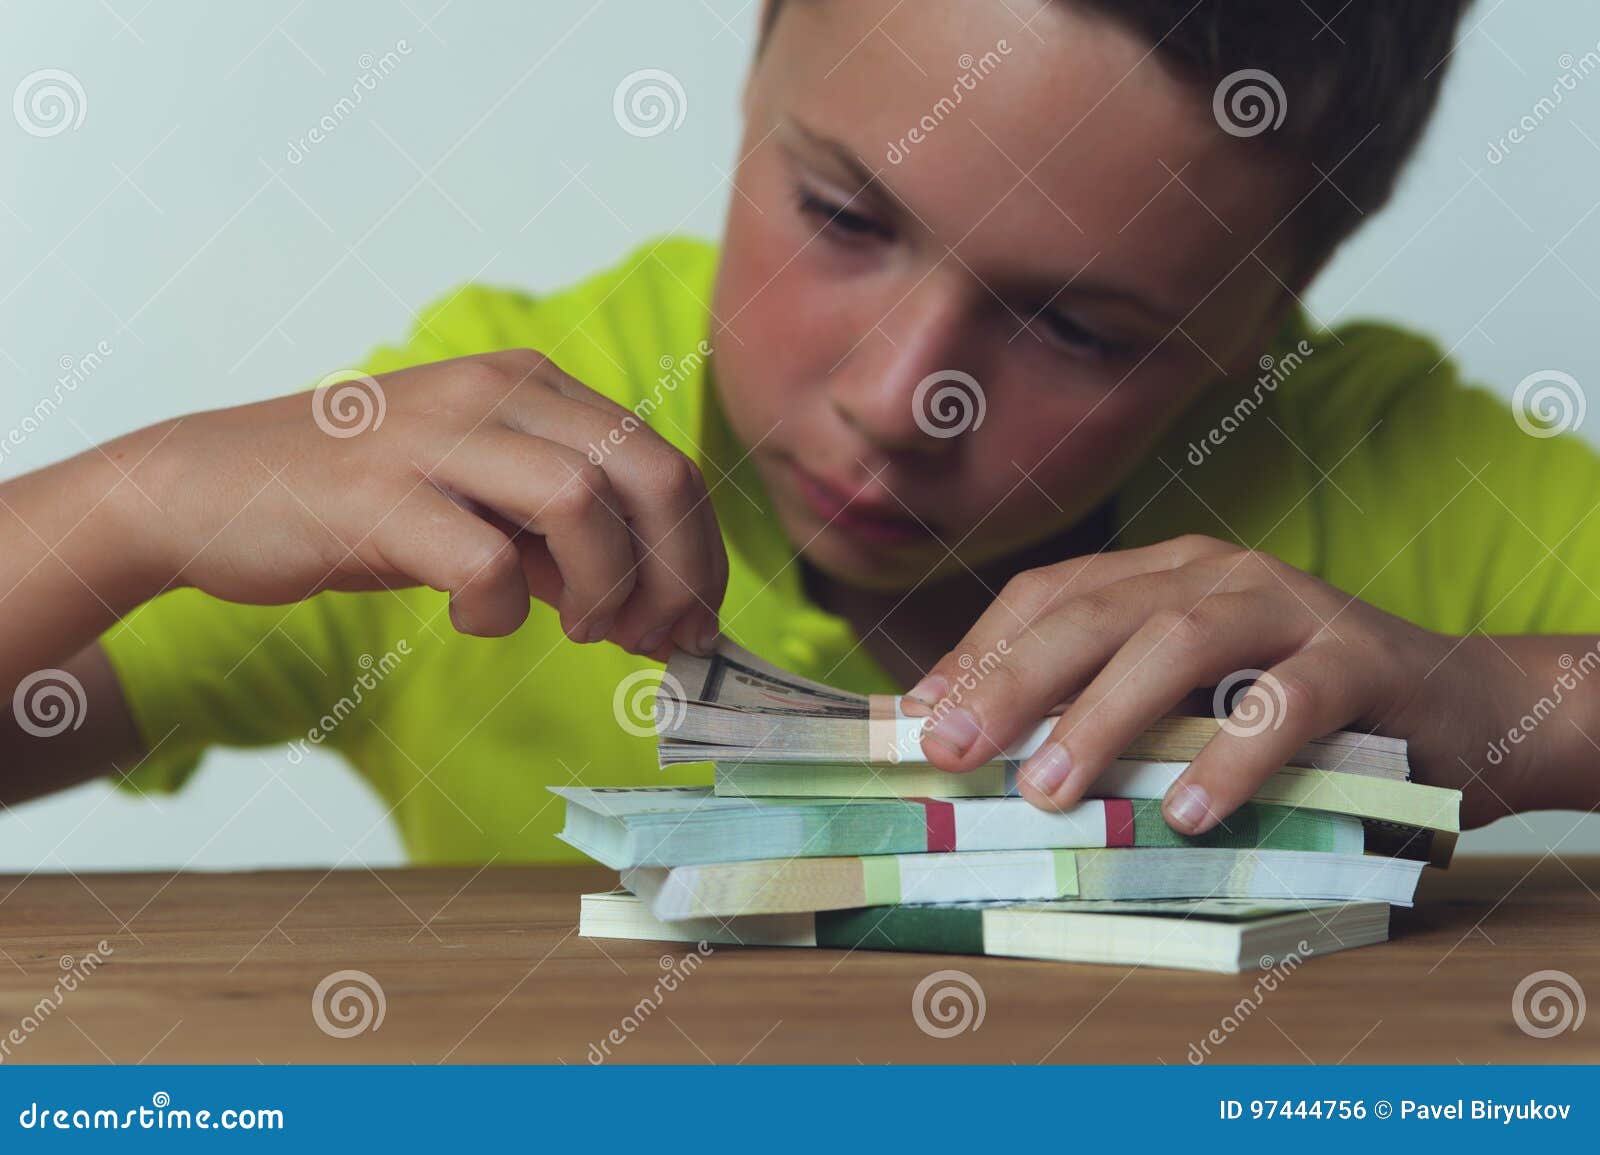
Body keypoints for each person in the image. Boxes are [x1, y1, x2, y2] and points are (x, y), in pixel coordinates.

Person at [5, 0, 1596, 864]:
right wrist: (125, 506)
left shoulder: (1386, 473)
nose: (906, 399)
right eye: (841, 214)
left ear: (1270, 315)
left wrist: (1503, 702)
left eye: (1083, 329)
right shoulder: (481, 466)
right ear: (751, 69)